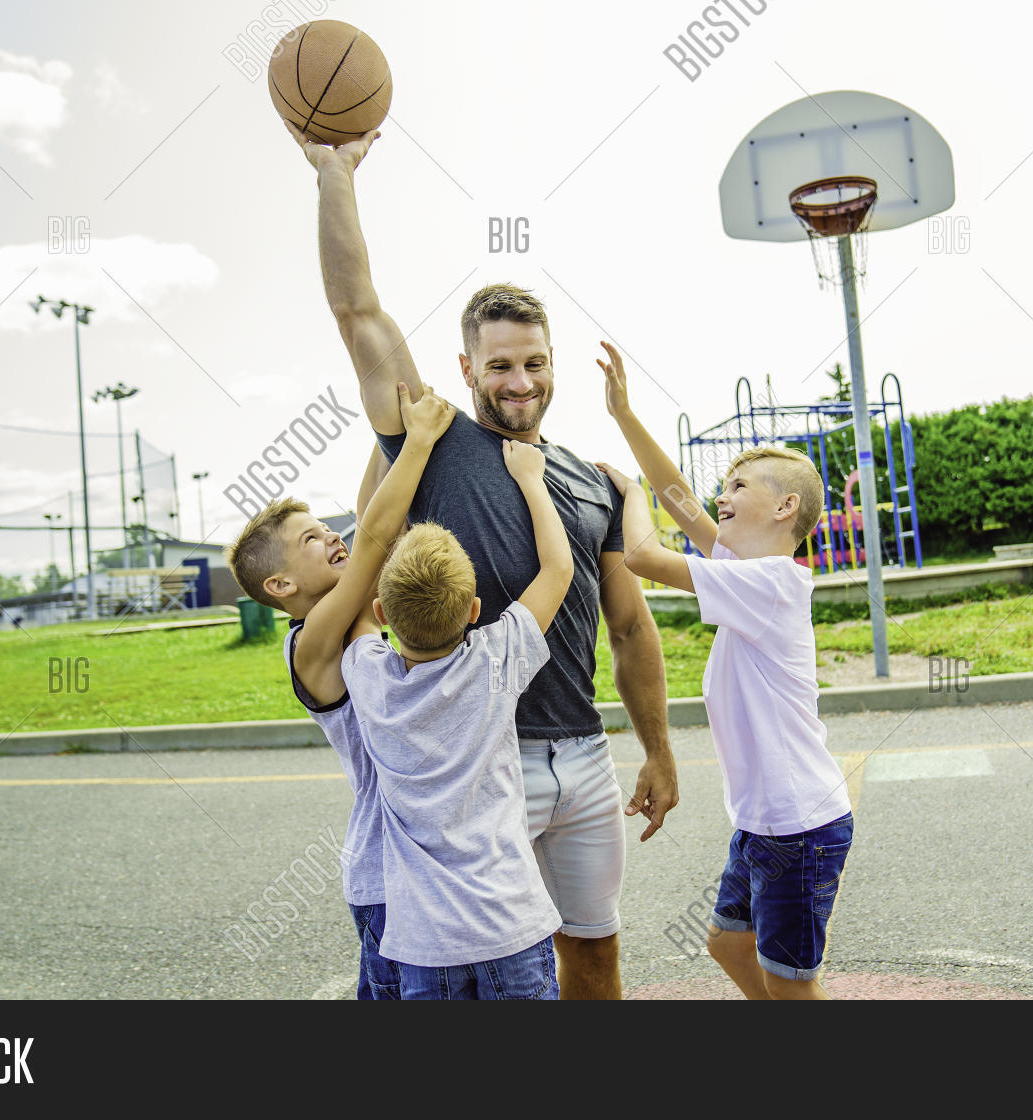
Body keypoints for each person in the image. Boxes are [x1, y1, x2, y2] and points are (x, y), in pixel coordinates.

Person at [288, 124, 678, 1000]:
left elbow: (627, 624)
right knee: (487, 969)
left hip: (581, 755)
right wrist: (334, 176)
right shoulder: (435, 440)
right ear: (467, 366)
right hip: (483, 770)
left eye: (535, 363)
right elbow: (357, 312)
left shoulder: (590, 482)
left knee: (594, 952)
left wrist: (657, 750)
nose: (520, 381)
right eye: (500, 364)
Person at [595, 341, 854, 1000]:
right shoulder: (747, 571)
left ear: (785, 508)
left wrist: (626, 493)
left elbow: (646, 555)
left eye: (740, 486)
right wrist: (624, 415)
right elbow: (680, 500)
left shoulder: (769, 583)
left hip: (797, 828)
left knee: (790, 982)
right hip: (766, 821)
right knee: (727, 941)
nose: (722, 495)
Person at [223, 382, 456, 1001]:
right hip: (383, 875)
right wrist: (421, 442)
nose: (332, 537)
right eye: (310, 540)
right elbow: (375, 534)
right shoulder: (312, 643)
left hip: (421, 869)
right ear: (280, 584)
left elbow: (367, 519)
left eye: (326, 529)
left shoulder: (350, 610)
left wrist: (390, 435)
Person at [341, 438, 573, 999]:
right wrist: (532, 479)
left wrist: (389, 444)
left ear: (380, 614)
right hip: (511, 925)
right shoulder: (496, 658)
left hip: (424, 944)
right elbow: (558, 567)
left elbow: (364, 554)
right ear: (475, 611)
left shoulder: (368, 677)